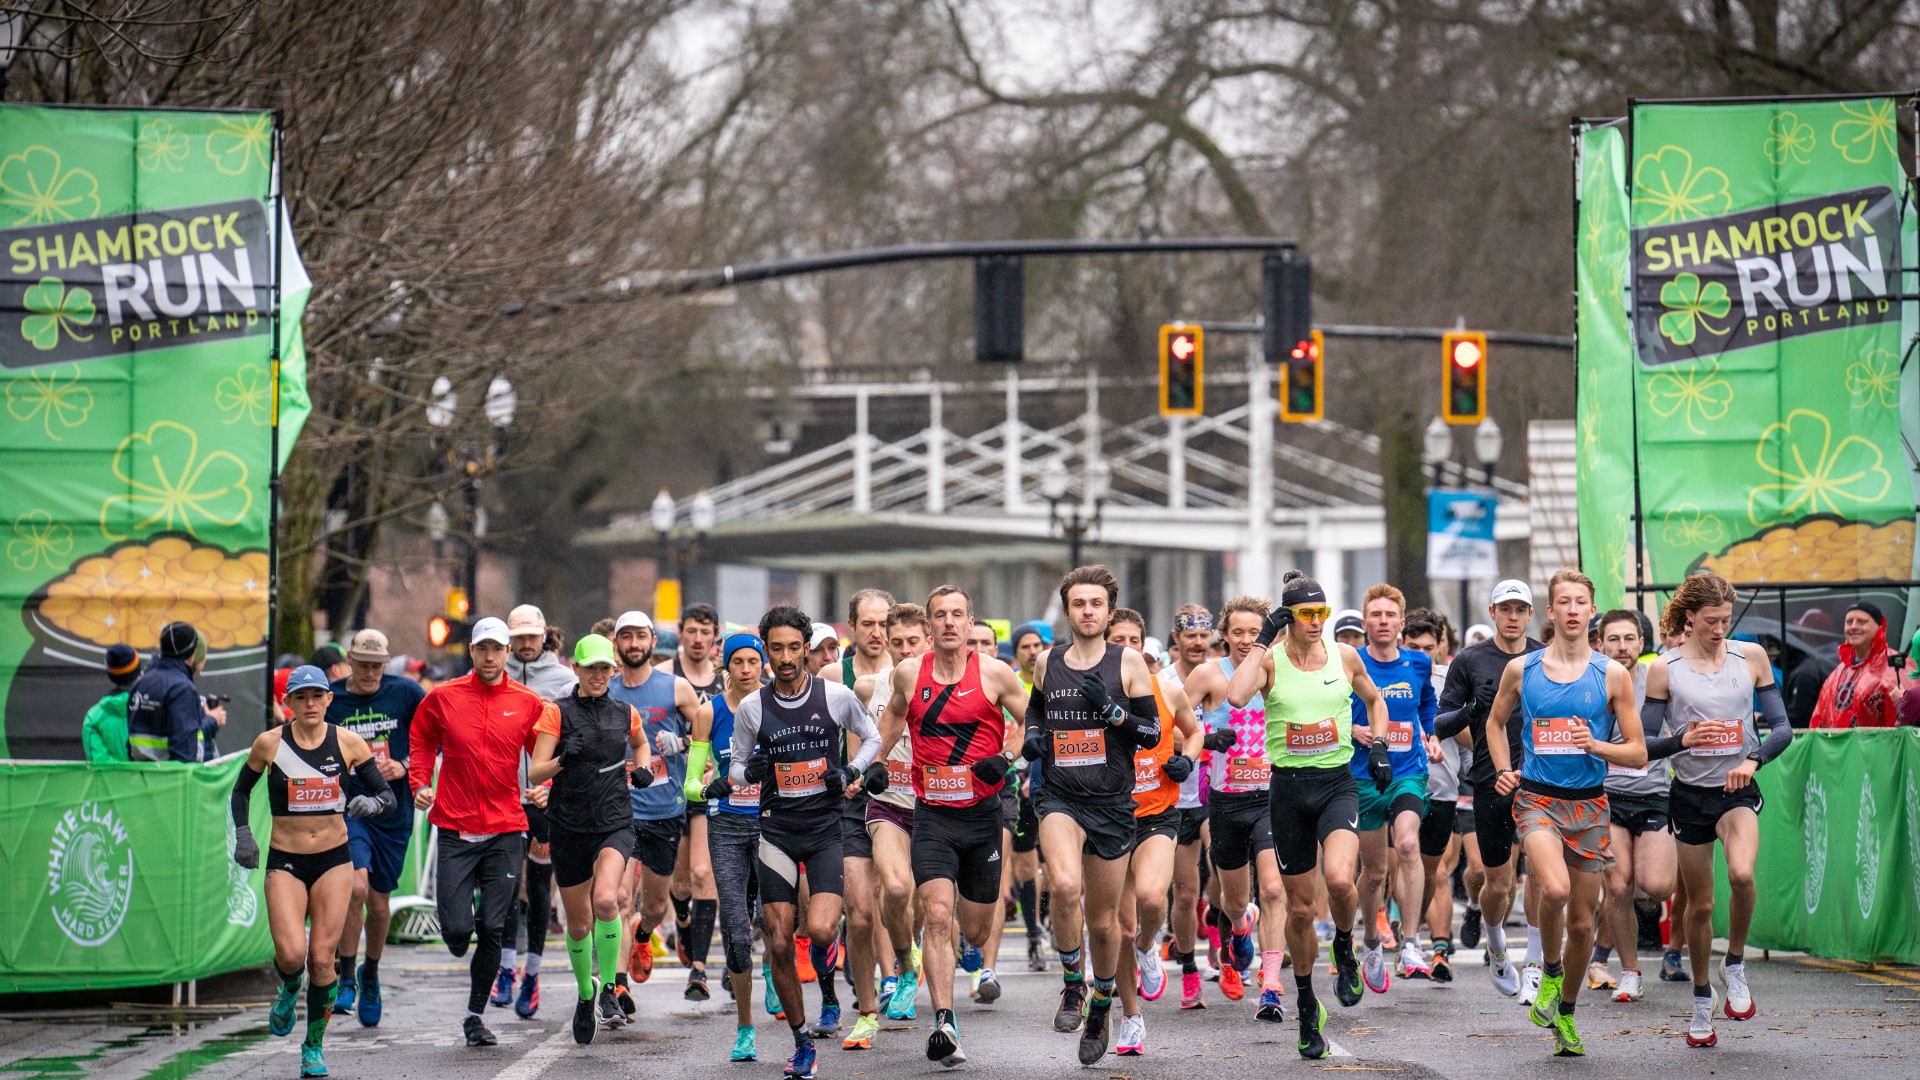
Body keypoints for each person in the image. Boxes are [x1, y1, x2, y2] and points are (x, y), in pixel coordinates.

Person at [1225, 571, 1391, 1059]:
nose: (1317, 622)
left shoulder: (1344, 656)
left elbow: (1374, 700)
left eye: (1322, 612)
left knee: (1340, 880)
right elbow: (1236, 696)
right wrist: (1262, 638)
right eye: (1306, 614)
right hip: (1288, 791)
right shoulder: (1270, 661)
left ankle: (1343, 943)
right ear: (1289, 617)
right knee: (1298, 909)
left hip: (1337, 783)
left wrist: (1378, 745)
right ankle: (1305, 1003)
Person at [1483, 568, 1646, 1059]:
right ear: (1550, 612)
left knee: (1582, 922)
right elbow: (1494, 723)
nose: (1573, 610)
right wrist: (1504, 769)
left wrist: (1595, 744)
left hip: (1591, 806)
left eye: (1581, 602)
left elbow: (1638, 752)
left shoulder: (1611, 674)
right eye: (1564, 602)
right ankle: (1550, 970)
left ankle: (1567, 1013)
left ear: (1591, 610)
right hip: (1536, 800)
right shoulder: (1523, 669)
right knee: (1551, 889)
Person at [872, 586, 1030, 1066]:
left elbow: (1031, 723)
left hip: (982, 818)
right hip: (933, 815)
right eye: (939, 615)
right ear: (928, 624)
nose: (947, 623)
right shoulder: (907, 673)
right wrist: (878, 760)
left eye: (956, 615)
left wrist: (1004, 758)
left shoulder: (996, 674)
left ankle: (961, 947)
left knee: (976, 933)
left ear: (969, 621)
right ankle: (944, 1021)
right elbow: (895, 717)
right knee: (936, 914)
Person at [729, 605, 883, 1080]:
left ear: (805, 649)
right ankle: (800, 1043)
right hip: (775, 829)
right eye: (776, 649)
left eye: (794, 647)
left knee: (819, 930)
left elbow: (872, 737)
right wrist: (747, 772)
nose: (786, 657)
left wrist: (851, 772)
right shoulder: (753, 707)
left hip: (823, 830)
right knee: (777, 940)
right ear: (766, 651)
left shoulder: (835, 696)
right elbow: (733, 769)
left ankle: (828, 979)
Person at [1640, 572, 1791, 1047]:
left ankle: (1737, 964)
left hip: (1738, 791)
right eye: (1711, 620)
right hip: (1690, 795)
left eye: (1726, 619)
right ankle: (1702, 998)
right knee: (1699, 904)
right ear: (1690, 617)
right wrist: (1682, 739)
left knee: (1743, 875)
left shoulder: (1752, 657)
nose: (1720, 628)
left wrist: (1753, 759)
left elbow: (1782, 728)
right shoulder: (1665, 669)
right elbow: (1643, 743)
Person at [1025, 566, 1162, 1064]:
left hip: (1112, 803)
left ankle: (1102, 1007)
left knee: (1105, 925)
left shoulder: (1128, 662)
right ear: (1067, 611)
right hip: (1060, 796)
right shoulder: (1048, 661)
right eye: (1078, 604)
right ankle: (1071, 985)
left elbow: (1149, 734)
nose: (1087, 611)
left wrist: (1114, 713)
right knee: (1062, 885)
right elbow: (1035, 712)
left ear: (1108, 610)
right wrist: (1032, 737)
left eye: (1096, 604)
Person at [230, 665, 396, 1078]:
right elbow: (240, 791)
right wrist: (244, 833)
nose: (309, 704)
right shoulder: (269, 744)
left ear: (328, 699)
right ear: (288, 703)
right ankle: (288, 989)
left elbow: (386, 794)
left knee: (322, 960)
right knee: (290, 955)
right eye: (300, 697)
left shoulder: (349, 742)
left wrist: (372, 805)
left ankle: (313, 1046)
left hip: (333, 860)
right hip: (285, 860)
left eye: (316, 696)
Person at [407, 617, 547, 1047]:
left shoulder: (527, 701)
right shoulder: (444, 697)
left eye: (497, 649)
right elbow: (420, 740)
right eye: (482, 649)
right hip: (454, 825)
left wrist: (544, 787)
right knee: (455, 929)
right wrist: (420, 782)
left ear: (507, 652)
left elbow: (543, 752)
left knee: (492, 926)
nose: (490, 657)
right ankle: (456, 938)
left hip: (506, 828)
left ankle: (474, 1015)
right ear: (471, 651)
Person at [526, 633, 651, 1044]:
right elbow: (535, 773)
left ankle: (612, 989)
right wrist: (565, 758)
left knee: (607, 900)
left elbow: (640, 743)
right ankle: (586, 995)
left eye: (605, 668)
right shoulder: (555, 713)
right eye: (590, 668)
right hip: (568, 827)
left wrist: (644, 768)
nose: (598, 675)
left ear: (614, 671)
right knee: (578, 925)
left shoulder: (625, 712)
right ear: (576, 669)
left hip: (615, 821)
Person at [1433, 580, 1545, 1000]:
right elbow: (1442, 723)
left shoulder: (1544, 658)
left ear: (1530, 613)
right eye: (1505, 609)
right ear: (1492, 611)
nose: (1513, 616)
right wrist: (1474, 710)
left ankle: (1534, 962)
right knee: (1497, 884)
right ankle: (1496, 943)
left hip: (1540, 780)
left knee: (1538, 869)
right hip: (1489, 779)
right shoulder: (1469, 660)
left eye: (1520, 609)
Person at [1180, 596, 1285, 1015]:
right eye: (1237, 632)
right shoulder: (1208, 674)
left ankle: (1272, 985)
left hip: (1271, 798)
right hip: (1224, 801)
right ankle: (1241, 926)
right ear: (1224, 634)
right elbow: (1172, 729)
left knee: (1275, 888)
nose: (1245, 640)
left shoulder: (1277, 670)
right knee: (1234, 902)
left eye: (1254, 633)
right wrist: (1206, 736)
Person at [1104, 608, 1202, 1057]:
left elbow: (1194, 730)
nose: (1127, 647)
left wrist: (1188, 758)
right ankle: (1130, 1017)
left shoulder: (1164, 687)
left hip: (1158, 812)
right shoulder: (1092, 692)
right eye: (1117, 638)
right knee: (1118, 927)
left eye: (1133, 639)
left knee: (1149, 898)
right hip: (1109, 815)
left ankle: (1149, 946)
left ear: (1145, 645)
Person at [604, 610, 707, 1015]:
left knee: (655, 907)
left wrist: (680, 744)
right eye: (625, 637)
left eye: (640, 636)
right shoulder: (606, 690)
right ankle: (618, 987)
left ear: (652, 641)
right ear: (617, 643)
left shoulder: (676, 687)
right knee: (620, 898)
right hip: (619, 811)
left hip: (665, 810)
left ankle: (645, 936)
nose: (633, 644)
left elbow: (706, 732)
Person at [325, 629, 426, 1027]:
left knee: (380, 904)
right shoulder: (332, 697)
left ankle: (371, 972)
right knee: (356, 886)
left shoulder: (407, 693)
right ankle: (346, 973)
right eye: (363, 665)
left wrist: (403, 764)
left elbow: (429, 739)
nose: (370, 674)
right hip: (349, 808)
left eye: (377, 667)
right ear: (349, 660)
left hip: (393, 810)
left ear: (386, 664)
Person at [1350, 584, 1439, 992]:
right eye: (1376, 615)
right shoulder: (1349, 663)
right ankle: (1370, 939)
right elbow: (1329, 707)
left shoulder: (1418, 664)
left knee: (1407, 845)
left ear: (1401, 624)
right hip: (1362, 773)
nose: (1383, 622)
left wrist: (1432, 735)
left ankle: (1410, 941)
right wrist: (1353, 729)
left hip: (1407, 770)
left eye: (1390, 616)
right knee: (1373, 871)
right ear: (1365, 622)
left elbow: (1426, 707)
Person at [689, 633, 773, 1062]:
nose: (745, 669)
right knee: (738, 935)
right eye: (737, 661)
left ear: (762, 665)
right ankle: (745, 1027)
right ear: (727, 666)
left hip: (772, 825)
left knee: (774, 922)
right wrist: (710, 785)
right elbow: (690, 784)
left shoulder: (777, 705)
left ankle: (775, 970)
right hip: (726, 828)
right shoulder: (709, 712)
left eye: (752, 661)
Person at [1584, 609, 1672, 1003]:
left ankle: (1616, 949)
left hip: (1655, 795)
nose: (1622, 647)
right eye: (1613, 639)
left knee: (1656, 885)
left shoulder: (1660, 679)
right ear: (1600, 644)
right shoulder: (1591, 682)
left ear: (1642, 643)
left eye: (1629, 639)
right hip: (1610, 796)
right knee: (1617, 886)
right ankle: (1631, 972)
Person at [828, 588, 895, 1049]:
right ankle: (868, 1011)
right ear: (852, 627)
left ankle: (904, 965)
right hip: (850, 803)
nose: (877, 632)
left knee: (898, 896)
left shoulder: (908, 671)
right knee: (861, 911)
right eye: (868, 623)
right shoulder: (835, 674)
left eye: (884, 623)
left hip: (901, 799)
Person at [1405, 610, 1476, 983]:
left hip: (1443, 787)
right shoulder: (1387, 675)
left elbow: (1468, 740)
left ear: (1440, 646)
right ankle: (1409, 942)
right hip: (1395, 786)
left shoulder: (1449, 680)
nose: (1421, 654)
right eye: (1413, 647)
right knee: (1394, 865)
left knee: (1435, 872)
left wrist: (1448, 719)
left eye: (1428, 648)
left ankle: (1431, 945)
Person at [871, 604, 932, 1028]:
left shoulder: (945, 683)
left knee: (923, 900)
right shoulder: (866, 686)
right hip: (887, 803)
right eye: (897, 643)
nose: (905, 651)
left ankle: (915, 943)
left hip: (934, 806)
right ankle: (906, 970)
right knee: (895, 888)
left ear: (928, 641)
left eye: (913, 642)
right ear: (886, 645)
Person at [1160, 604, 1214, 1006]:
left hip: (1219, 793)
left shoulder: (1224, 677)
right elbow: (1158, 736)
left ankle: (1223, 936)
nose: (1198, 642)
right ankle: (1190, 967)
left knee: (1230, 883)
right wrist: (1203, 742)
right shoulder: (1161, 682)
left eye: (1203, 634)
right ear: (1176, 638)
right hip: (1175, 799)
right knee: (1183, 894)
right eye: (1189, 635)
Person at [669, 603, 723, 1002]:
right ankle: (682, 921)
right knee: (678, 881)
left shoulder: (729, 678)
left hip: (711, 787)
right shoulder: (666, 677)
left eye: (706, 631)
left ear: (715, 636)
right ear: (681, 633)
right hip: (669, 787)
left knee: (704, 874)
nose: (698, 639)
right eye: (692, 631)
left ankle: (699, 969)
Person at [1006, 622, 1049, 973]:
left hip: (1051, 780)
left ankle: (1048, 916)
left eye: (1037, 645)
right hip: (1016, 779)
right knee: (1024, 863)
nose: (1033, 651)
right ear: (1017, 652)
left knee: (1052, 864)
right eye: (1025, 646)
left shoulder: (1054, 680)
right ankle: (1034, 935)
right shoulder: (1009, 685)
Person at [127, 622, 221, 763]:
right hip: (172, 780)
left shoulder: (141, 683)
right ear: (192, 655)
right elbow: (185, 753)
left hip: (141, 778)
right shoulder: (182, 688)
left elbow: (130, 744)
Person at [1809, 601, 1901, 729]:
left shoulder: (1896, 666)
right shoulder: (1837, 675)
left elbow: (1906, 721)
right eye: (1849, 622)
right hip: (1839, 749)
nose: (1853, 626)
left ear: (1880, 627)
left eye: (1862, 622)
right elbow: (1818, 721)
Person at [82, 644, 141, 764]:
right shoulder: (155, 708)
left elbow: (99, 764)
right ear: (138, 672)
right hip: (148, 782)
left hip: (110, 782)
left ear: (111, 675)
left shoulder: (93, 718)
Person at [505, 604, 580, 699]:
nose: (526, 645)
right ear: (510, 637)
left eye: (532, 637)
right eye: (520, 637)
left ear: (544, 634)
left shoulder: (568, 680)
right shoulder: (496, 676)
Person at [1782, 610, 1838, 726]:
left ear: (1809, 634)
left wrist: (1763, 720)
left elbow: (1798, 718)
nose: (1800, 636)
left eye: (1802, 631)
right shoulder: (1844, 662)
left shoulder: (1807, 671)